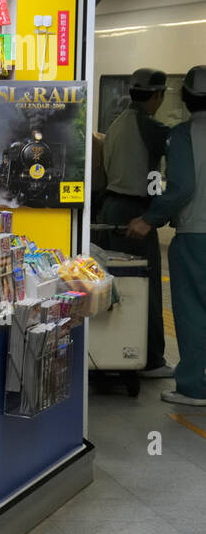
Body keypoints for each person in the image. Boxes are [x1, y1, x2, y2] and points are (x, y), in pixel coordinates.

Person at [129, 65, 206, 406]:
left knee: (191, 311)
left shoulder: (184, 134)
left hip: (195, 236)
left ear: (186, 99)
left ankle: (192, 386)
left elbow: (182, 187)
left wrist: (150, 218)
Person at [102, 68, 172, 378]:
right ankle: (151, 360)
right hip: (135, 214)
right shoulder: (150, 126)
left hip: (111, 208)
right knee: (146, 285)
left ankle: (116, 354)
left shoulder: (116, 124)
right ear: (157, 95)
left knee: (118, 285)